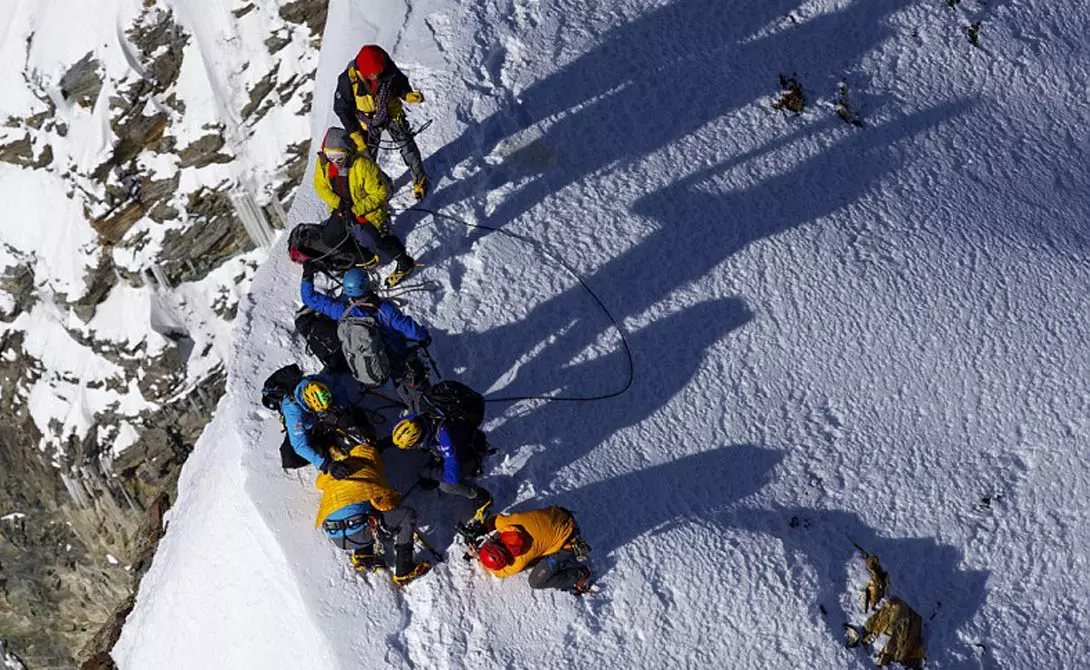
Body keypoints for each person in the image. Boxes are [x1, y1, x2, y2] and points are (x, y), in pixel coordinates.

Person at [301, 265, 431, 409]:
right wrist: (423, 337)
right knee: (411, 379)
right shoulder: (385, 310)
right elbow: (410, 329)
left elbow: (309, 298)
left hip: (368, 360)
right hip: (396, 356)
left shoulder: (342, 311)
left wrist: (307, 276)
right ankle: (420, 406)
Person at [313, 126, 418, 287]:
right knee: (330, 238)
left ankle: (405, 263)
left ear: (348, 151)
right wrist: (339, 204)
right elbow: (320, 186)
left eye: (339, 157)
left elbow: (380, 193)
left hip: (367, 213)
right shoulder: (323, 165)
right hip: (342, 210)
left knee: (381, 241)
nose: (335, 162)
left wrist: (355, 210)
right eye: (330, 156)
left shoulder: (363, 166)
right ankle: (365, 258)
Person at [315, 441, 430, 584]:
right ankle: (403, 570)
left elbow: (318, 483)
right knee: (407, 515)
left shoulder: (334, 472)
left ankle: (363, 553)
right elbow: (385, 504)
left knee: (360, 511)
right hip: (357, 532)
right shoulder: (369, 471)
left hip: (336, 537)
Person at [333, 44, 429, 201]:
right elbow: (341, 108)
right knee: (367, 159)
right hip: (367, 121)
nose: (376, 77)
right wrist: (355, 134)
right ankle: (380, 186)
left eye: (379, 73)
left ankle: (420, 180)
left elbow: (399, 83)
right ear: (363, 72)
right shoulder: (347, 80)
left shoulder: (384, 64)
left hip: (391, 112)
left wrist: (407, 95)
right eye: (373, 74)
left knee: (407, 147)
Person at [464, 506, 593, 594]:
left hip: (569, 539)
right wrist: (482, 529)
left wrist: (478, 556)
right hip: (560, 514)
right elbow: (494, 521)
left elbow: (499, 572)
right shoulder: (507, 523)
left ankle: (581, 574)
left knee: (536, 581)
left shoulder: (519, 560)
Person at [391, 412, 492, 519]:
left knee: (446, 485)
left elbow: (452, 476)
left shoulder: (445, 437)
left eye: (412, 446)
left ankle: (478, 495)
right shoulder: (417, 420)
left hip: (469, 454)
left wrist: (430, 473)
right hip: (455, 446)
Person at [279, 373, 376, 475]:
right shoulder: (293, 411)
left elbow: (340, 393)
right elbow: (299, 445)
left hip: (326, 415)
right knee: (290, 458)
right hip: (310, 425)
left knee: (351, 420)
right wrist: (327, 465)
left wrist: (339, 412)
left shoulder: (325, 381)